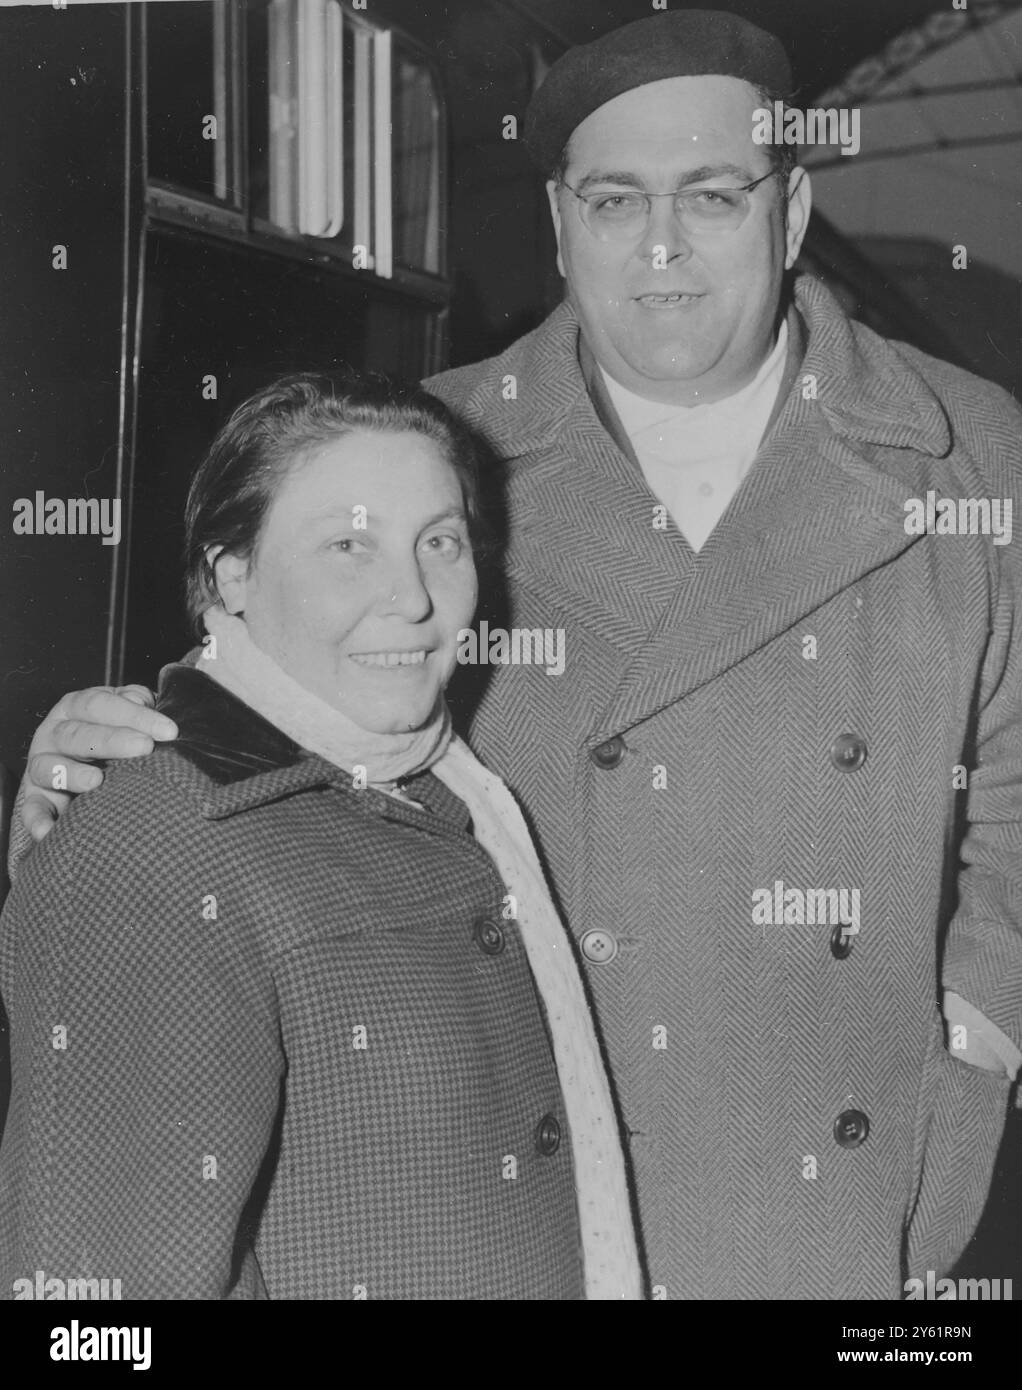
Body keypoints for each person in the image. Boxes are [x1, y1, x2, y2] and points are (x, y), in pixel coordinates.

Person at [9, 10, 1022, 1299]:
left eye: (711, 194)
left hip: (844, 1181)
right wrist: (101, 774)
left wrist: (975, 1035)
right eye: (613, 200)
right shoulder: (434, 449)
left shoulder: (969, 451)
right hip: (514, 1175)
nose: (659, 246)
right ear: (557, 224)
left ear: (792, 206)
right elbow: (271, 731)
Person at [0, 372, 641, 1301]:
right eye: (350, 545)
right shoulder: (153, 846)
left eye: (440, 542)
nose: (413, 598)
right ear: (232, 573)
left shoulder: (449, 788)